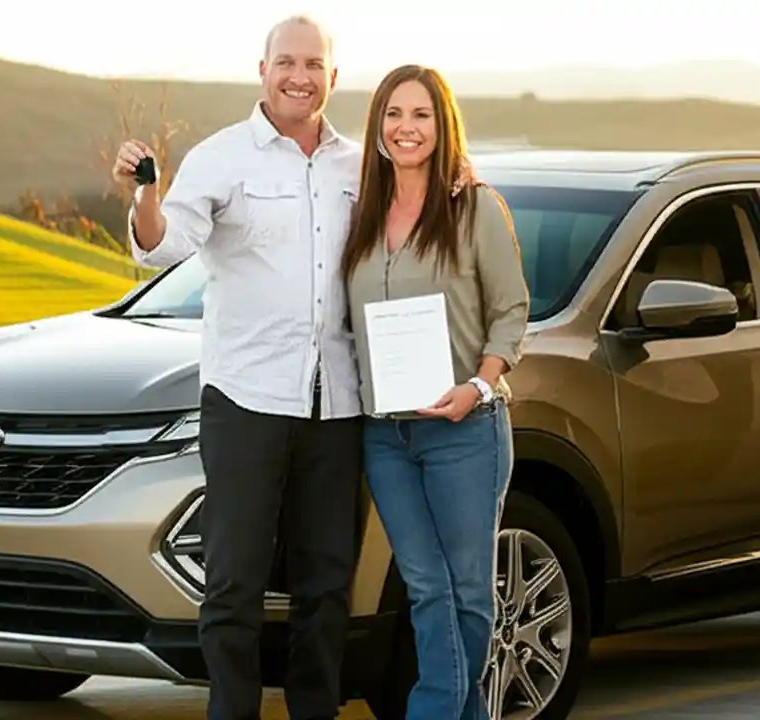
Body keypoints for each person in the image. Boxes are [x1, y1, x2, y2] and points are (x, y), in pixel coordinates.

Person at [111, 15, 362, 720]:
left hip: (337, 401)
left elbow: (401, 243)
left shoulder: (357, 165)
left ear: (332, 78)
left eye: (314, 65)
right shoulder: (222, 157)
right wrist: (145, 191)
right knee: (233, 582)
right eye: (287, 62)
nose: (299, 77)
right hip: (247, 398)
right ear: (262, 69)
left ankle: (317, 711)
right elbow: (162, 246)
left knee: (326, 581)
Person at [341, 65, 530, 720]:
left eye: (421, 114)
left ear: (442, 124)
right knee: (425, 587)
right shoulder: (360, 210)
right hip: (384, 434)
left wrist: (479, 385)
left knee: (468, 592)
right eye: (394, 114)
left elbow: (511, 312)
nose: (406, 128)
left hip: (465, 431)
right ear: (377, 127)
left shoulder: (473, 206)